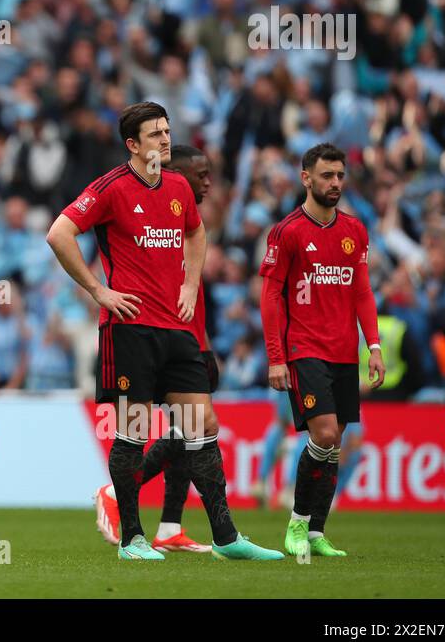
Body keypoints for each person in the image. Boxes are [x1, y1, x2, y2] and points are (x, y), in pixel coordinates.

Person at [47, 101, 281, 561]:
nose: (165, 140)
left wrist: (191, 283)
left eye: (167, 131)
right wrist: (99, 290)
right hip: (130, 328)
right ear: (133, 145)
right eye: (155, 134)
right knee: (133, 431)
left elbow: (196, 234)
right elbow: (59, 233)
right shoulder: (111, 188)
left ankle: (226, 537)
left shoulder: (177, 185)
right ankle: (133, 538)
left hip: (176, 329)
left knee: (202, 424)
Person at [259, 143, 385, 559]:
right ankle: (295, 523)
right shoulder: (288, 231)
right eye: (327, 175)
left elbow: (363, 293)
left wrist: (375, 347)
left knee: (336, 445)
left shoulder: (355, 230)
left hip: (345, 352)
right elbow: (271, 296)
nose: (335, 183)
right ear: (306, 178)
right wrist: (276, 356)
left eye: (340, 176)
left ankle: (316, 533)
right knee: (325, 434)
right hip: (304, 347)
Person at [93, 143, 217, 553]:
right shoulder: (137, 207)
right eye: (199, 174)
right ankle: (120, 500)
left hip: (187, 340)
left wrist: (205, 346)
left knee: (189, 429)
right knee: (173, 430)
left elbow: (190, 294)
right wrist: (100, 291)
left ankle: (169, 526)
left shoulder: (185, 219)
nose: (205, 182)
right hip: (145, 335)